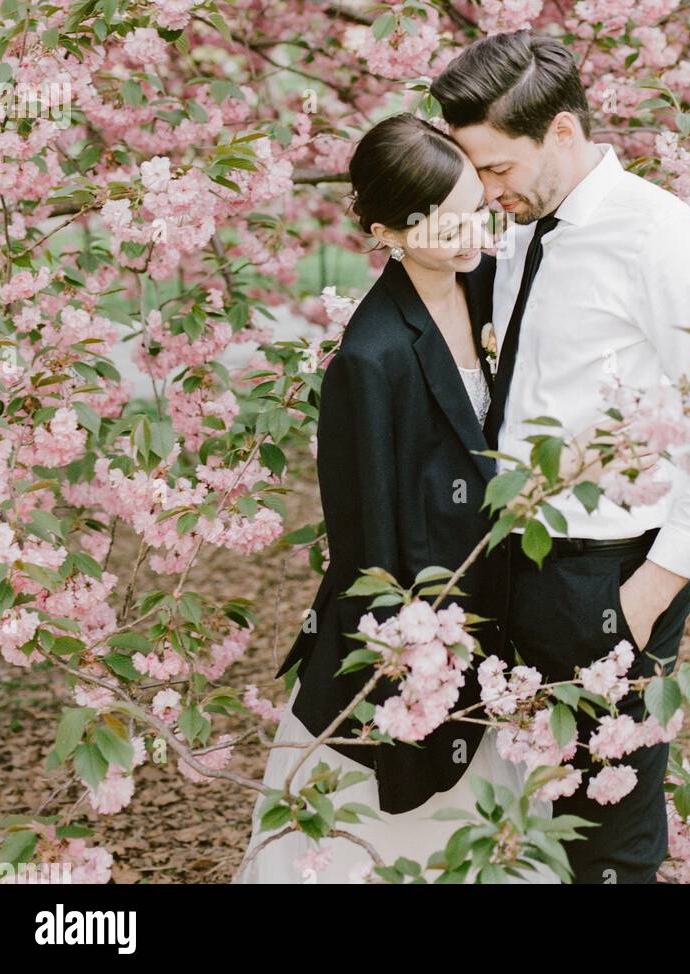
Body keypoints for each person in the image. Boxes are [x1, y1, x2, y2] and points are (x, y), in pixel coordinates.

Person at [430, 29, 690, 885]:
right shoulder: (523, 226)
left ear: (560, 133)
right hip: (516, 558)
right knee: (529, 806)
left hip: (608, 575)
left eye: (497, 166)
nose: (486, 189)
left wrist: (650, 592)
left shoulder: (660, 237)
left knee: (608, 834)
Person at [233, 113, 558, 885]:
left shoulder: (486, 288)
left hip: (500, 606)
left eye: (471, 211)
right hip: (419, 625)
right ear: (385, 232)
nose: (468, 235)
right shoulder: (370, 359)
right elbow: (364, 542)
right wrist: (405, 660)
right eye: (442, 225)